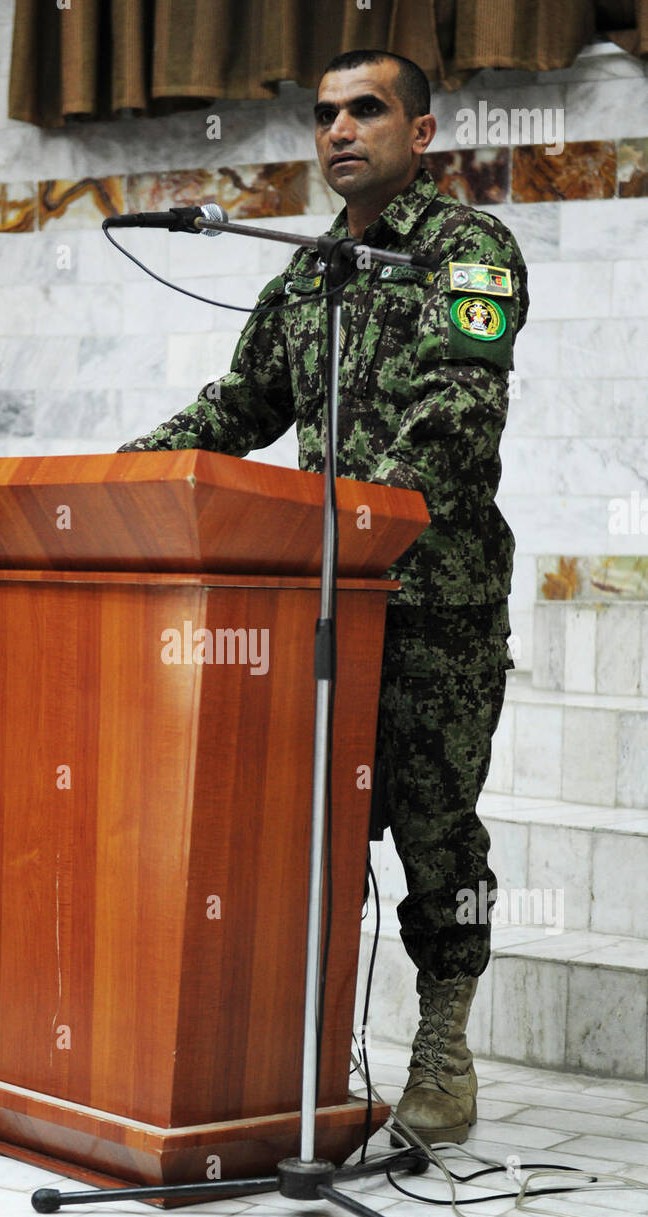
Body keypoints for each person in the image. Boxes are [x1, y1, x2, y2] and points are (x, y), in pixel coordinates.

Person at [117, 48, 529, 1146]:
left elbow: (452, 415)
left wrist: (346, 519)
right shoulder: (305, 274)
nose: (339, 130)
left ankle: (440, 1041)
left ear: (422, 133)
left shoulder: (468, 251)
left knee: (438, 837)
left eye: (366, 109)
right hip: (315, 611)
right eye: (322, 115)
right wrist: (129, 467)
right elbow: (237, 404)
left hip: (432, 608)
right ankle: (300, 1049)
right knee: (311, 835)